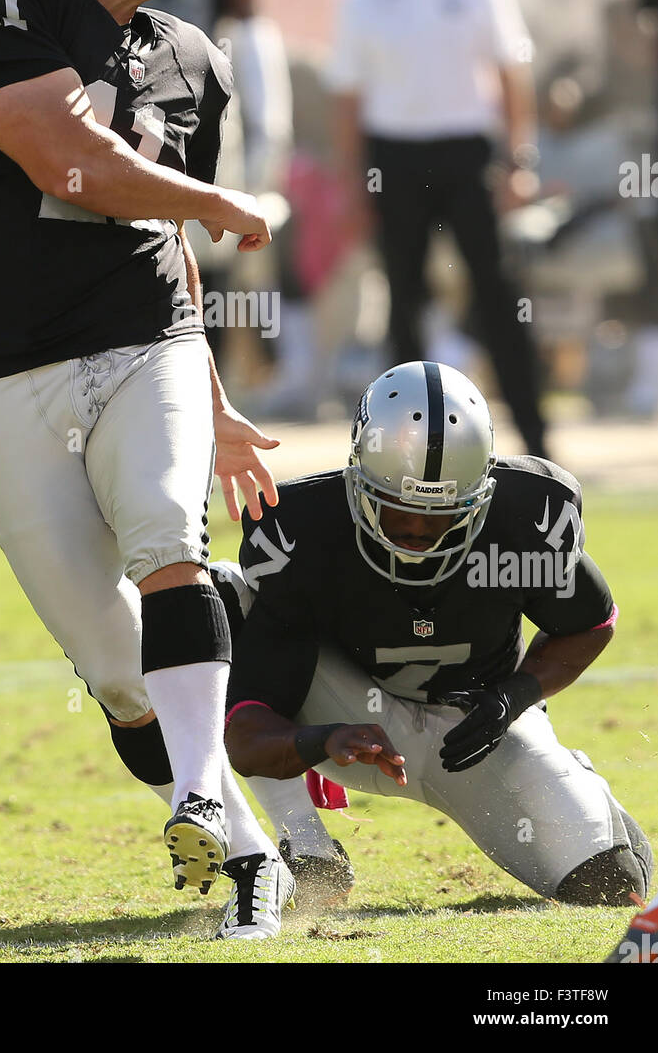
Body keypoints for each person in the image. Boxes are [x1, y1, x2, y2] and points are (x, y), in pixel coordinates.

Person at [0, 0, 295, 930]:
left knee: (169, 544)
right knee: (119, 670)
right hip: (0, 364)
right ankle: (242, 833)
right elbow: (70, 158)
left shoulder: (194, 57)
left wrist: (217, 398)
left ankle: (204, 813)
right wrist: (215, 201)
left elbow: (166, 235)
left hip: (145, 337)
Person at [222, 360, 652, 908]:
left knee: (611, 885)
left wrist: (515, 696)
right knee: (221, 596)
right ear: (359, 478)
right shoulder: (300, 534)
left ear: (481, 494)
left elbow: (591, 624)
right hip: (351, 720)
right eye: (399, 510)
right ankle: (305, 847)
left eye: (441, 515)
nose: (418, 535)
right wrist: (319, 740)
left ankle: (575, 778)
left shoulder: (526, 521)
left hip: (482, 728)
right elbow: (246, 733)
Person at [331, 0, 548, 457]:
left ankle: (537, 437)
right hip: (394, 157)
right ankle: (396, 443)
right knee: (403, 299)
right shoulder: (363, 1)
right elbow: (348, 98)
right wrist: (356, 185)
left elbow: (510, 73)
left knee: (497, 292)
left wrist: (518, 159)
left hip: (465, 152)